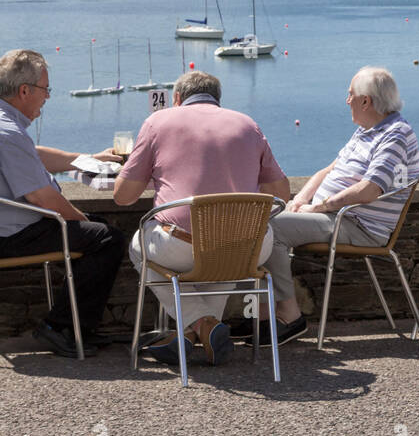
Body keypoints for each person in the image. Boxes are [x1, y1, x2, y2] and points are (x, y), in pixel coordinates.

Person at [0, 49, 125, 358]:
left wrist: (85, 159)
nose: (47, 97)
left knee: (99, 230)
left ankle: (77, 328)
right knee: (108, 238)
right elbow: (45, 199)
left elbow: (33, 154)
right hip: (8, 238)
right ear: (24, 91)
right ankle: (59, 327)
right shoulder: (4, 131)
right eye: (45, 89)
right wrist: (81, 220)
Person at [113, 72, 290, 367]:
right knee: (224, 261)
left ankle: (201, 325)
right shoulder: (248, 124)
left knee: (138, 247)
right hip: (249, 247)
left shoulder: (158, 122)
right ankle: (190, 337)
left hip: (183, 246)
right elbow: (281, 192)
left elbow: (123, 196)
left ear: (177, 99)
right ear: (217, 100)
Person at [241, 67, 419, 346]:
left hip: (358, 225)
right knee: (260, 218)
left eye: (350, 95)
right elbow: (328, 171)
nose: (346, 100)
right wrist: (300, 201)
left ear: (366, 101)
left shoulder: (395, 135)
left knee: (268, 228)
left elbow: (370, 189)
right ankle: (260, 317)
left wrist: (319, 208)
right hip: (336, 216)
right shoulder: (366, 132)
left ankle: (289, 316)